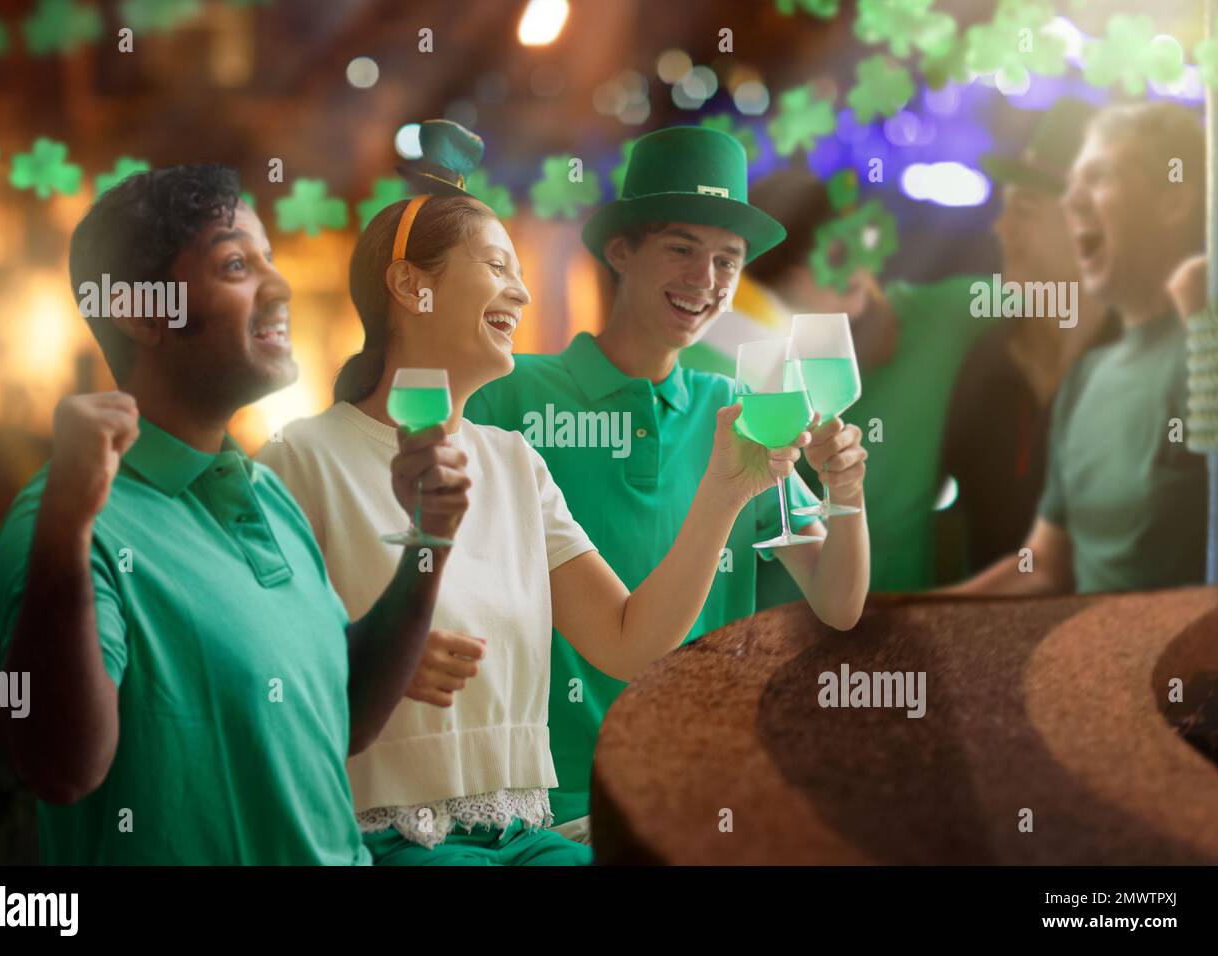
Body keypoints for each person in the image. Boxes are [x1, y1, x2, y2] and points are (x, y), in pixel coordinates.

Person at [257, 122, 827, 865]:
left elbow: (630, 643)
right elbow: (254, 669)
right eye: (497, 267)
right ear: (410, 286)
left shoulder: (515, 464)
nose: (523, 293)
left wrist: (723, 493)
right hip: (379, 838)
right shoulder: (304, 457)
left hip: (519, 836)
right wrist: (360, 657)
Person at [0, 165, 465, 864]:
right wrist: (66, 528)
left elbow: (345, 714)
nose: (280, 287)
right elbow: (62, 769)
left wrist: (429, 541)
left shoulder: (265, 494)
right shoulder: (64, 525)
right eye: (237, 264)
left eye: (269, 260)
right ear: (143, 311)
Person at [465, 126, 871, 844]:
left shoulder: (741, 408)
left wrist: (847, 493)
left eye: (727, 260)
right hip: (551, 803)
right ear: (621, 250)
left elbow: (839, 603)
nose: (706, 279)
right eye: (681, 248)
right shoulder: (512, 395)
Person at [691, 162, 985, 605]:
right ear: (772, 275)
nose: (859, 269)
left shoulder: (924, 323)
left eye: (862, 244)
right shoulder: (729, 360)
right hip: (777, 619)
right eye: (833, 256)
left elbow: (1027, 293)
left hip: (894, 616)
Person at [945, 102, 1208, 596]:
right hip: (1073, 660)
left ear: (1174, 203)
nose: (1074, 203)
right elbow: (1046, 565)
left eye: (1100, 178)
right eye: (1071, 188)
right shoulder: (1086, 375)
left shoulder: (1203, 349)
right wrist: (907, 619)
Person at [939, 99, 1110, 578]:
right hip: (989, 641)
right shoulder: (983, 362)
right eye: (1005, 208)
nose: (1001, 227)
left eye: (1025, 210)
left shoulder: (1141, 364)